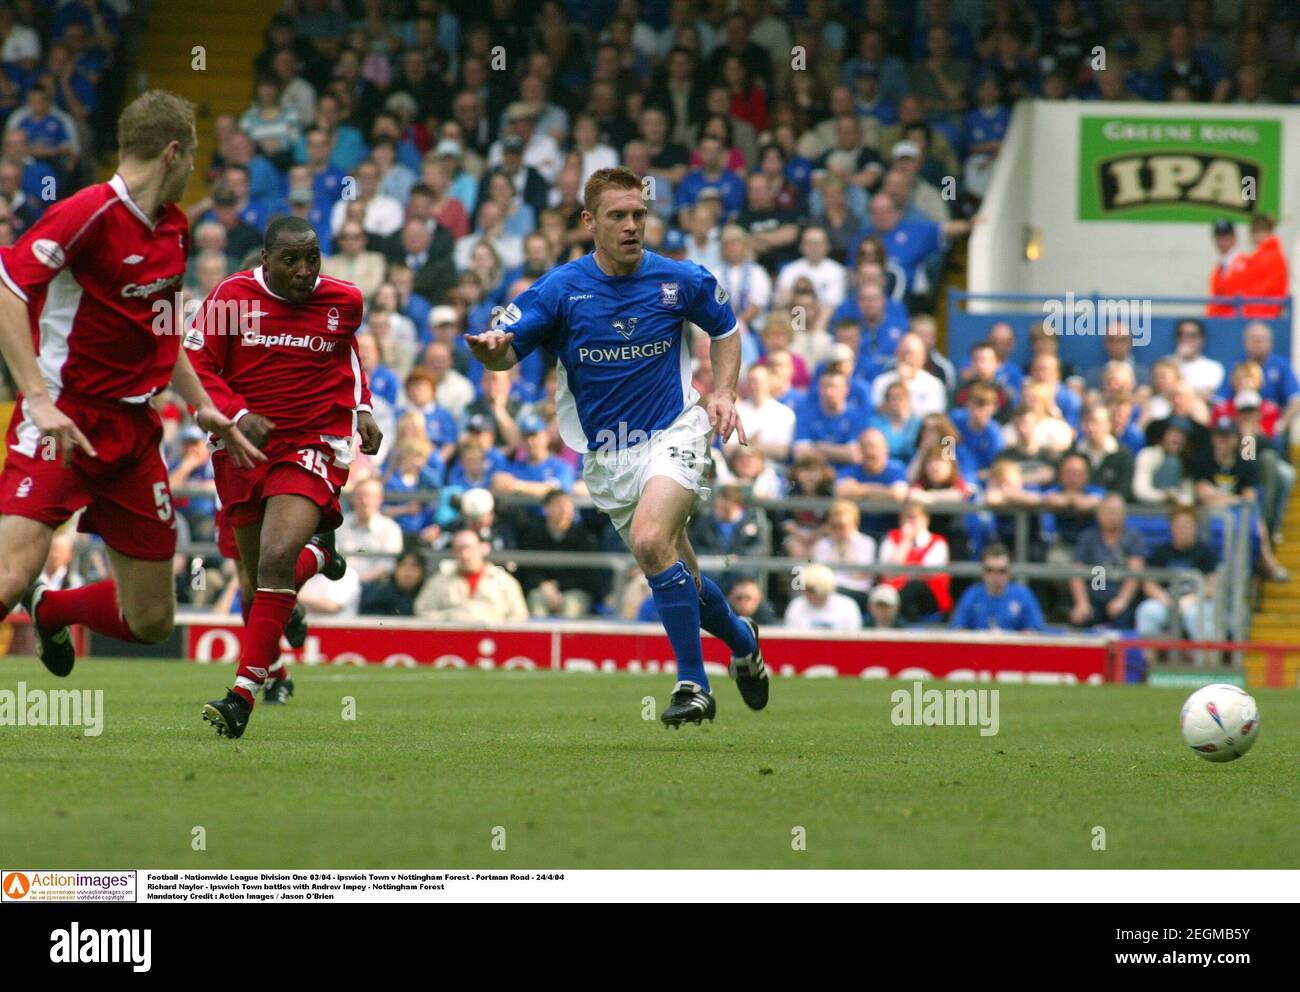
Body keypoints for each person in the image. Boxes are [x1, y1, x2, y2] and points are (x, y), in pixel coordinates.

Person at [466, 166, 764, 727]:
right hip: (610, 456)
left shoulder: (679, 280)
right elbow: (507, 349)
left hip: (676, 431)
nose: (632, 226)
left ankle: (693, 685)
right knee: (686, 581)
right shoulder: (560, 289)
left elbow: (725, 327)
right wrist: (492, 353)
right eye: (618, 216)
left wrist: (723, 391)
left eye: (639, 215)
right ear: (589, 222)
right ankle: (742, 640)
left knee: (653, 542)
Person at [0, 90, 261, 680]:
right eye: (195, 156)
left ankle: (51, 610)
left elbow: (161, 333)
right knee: (10, 575)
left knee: (151, 620)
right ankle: (30, 594)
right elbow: (8, 288)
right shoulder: (87, 211)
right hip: (64, 419)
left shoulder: (174, 226)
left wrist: (203, 405)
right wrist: (36, 398)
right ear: (173, 152)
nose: (197, 168)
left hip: (134, 432)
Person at [189, 216, 384, 737]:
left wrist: (362, 408)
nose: (304, 270)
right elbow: (196, 364)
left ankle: (241, 696)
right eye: (291, 260)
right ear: (266, 262)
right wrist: (233, 415)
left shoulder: (345, 301)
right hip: (243, 448)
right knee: (255, 587)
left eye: (313, 258)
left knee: (275, 558)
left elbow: (349, 352)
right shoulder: (230, 298)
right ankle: (318, 555)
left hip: (313, 441)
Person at [1136, 506, 1217, 642]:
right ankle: (1150, 661)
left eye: (1187, 524)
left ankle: (1204, 661)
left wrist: (1191, 600)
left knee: (1195, 616)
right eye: (1179, 524)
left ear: (1195, 527)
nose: (1183, 529)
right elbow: (1148, 584)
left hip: (1197, 602)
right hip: (1166, 601)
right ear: (1171, 527)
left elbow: (1212, 586)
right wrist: (1165, 599)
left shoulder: (1206, 552)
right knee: (1147, 611)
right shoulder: (1160, 552)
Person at [413, 528, 528, 622]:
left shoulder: (504, 582)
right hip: (449, 645)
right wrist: (451, 618)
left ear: (481, 548)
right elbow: (422, 613)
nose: (465, 555)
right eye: (459, 550)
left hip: (493, 645)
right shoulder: (438, 582)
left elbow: (519, 617)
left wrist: (491, 621)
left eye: (469, 548)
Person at [1069, 493, 1147, 629]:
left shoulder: (1133, 538)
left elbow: (1135, 572)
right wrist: (1082, 603)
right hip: (1093, 597)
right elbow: (1077, 573)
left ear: (1124, 515)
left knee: (1124, 618)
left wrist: (1122, 600)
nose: (1112, 516)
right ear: (1098, 514)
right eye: (1108, 511)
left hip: (1121, 598)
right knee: (1080, 618)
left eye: (1116, 512)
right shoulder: (1088, 538)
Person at [950, 543, 1045, 632]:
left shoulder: (1023, 595)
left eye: (1001, 571)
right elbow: (958, 629)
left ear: (1009, 573)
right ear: (983, 572)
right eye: (989, 570)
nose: (995, 576)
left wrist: (1006, 638)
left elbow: (1034, 631)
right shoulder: (972, 594)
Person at [784, 562, 862, 630]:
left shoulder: (847, 606)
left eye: (812, 590)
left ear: (825, 590)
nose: (807, 593)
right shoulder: (796, 606)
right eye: (805, 589)